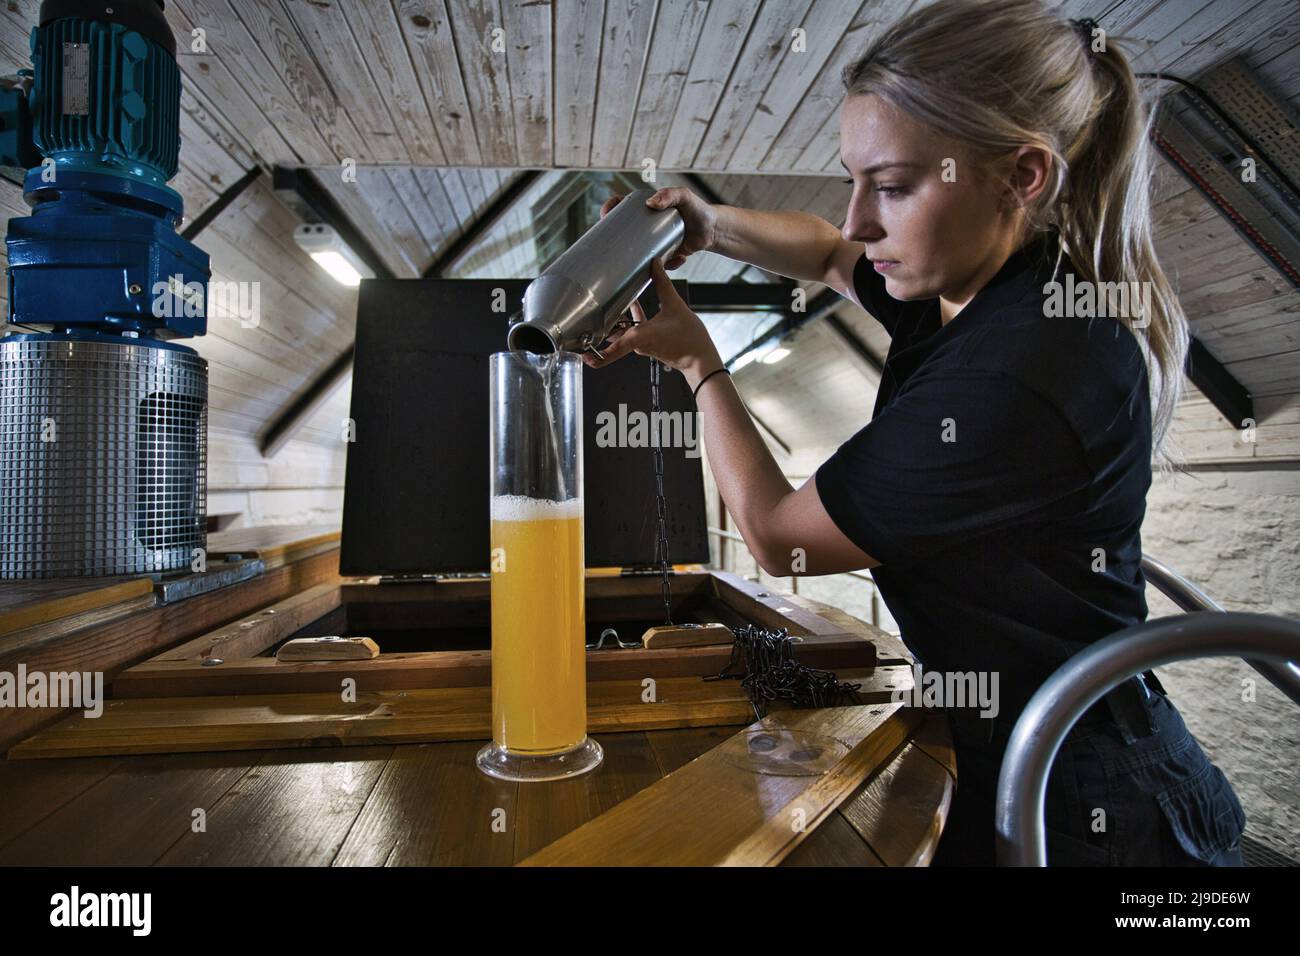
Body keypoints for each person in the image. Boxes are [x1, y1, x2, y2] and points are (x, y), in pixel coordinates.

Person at [586, 0, 1247, 866]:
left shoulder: (1015, 370)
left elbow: (781, 538)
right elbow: (827, 252)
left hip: (1092, 797)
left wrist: (698, 367)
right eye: (855, 180)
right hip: (1016, 745)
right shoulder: (980, 287)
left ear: (1024, 176)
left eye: (891, 187)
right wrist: (713, 226)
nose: (862, 218)